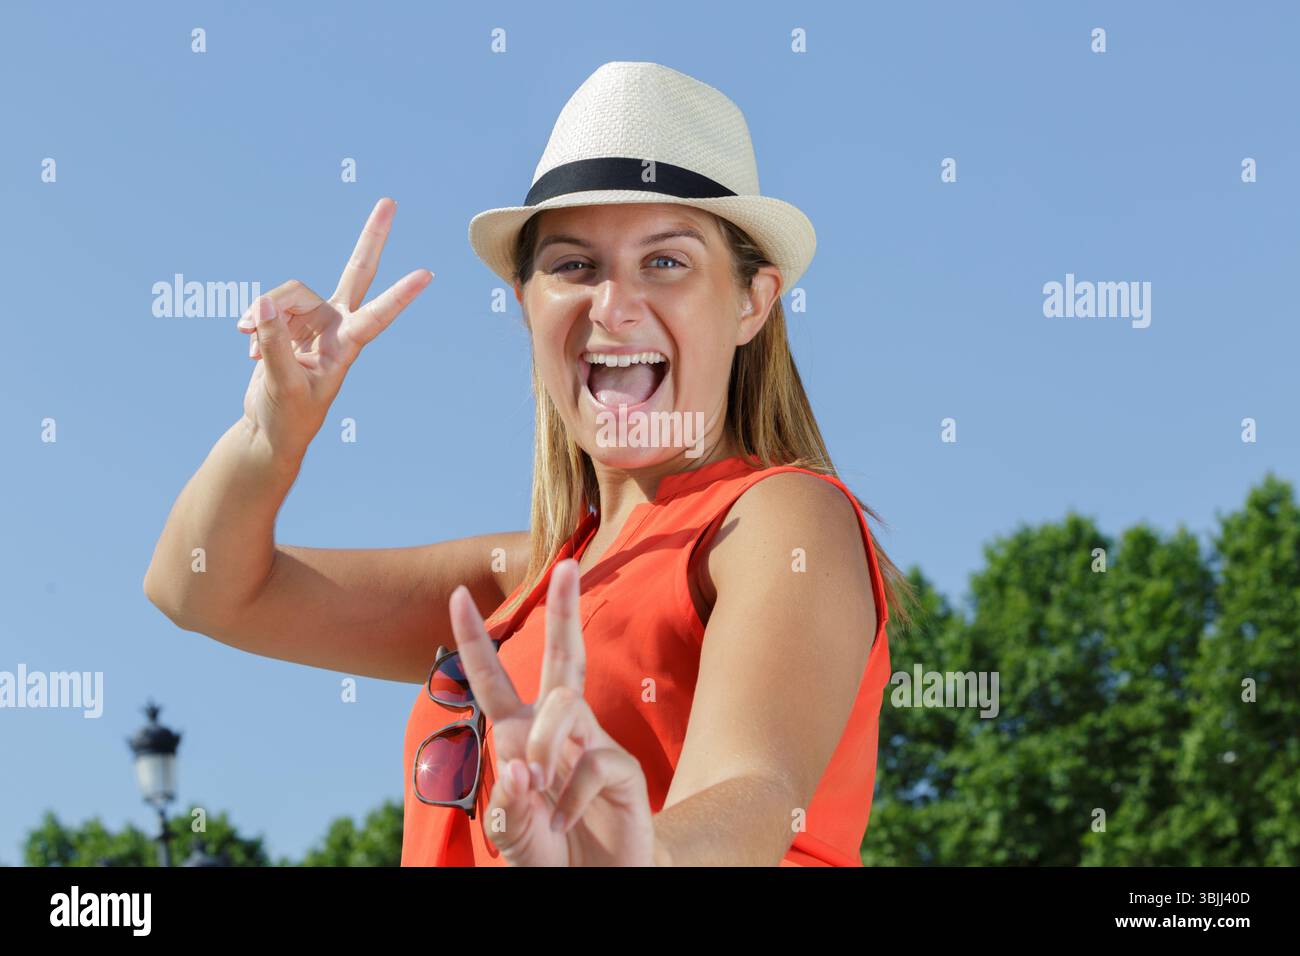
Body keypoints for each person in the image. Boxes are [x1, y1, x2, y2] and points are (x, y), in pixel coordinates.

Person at [143, 60, 913, 867]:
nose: (612, 306)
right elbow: (201, 588)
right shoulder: (523, 581)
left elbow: (754, 791)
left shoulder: (777, 517)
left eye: (666, 262)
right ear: (527, 304)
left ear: (752, 301)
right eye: (574, 265)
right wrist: (270, 437)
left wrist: (634, 855)